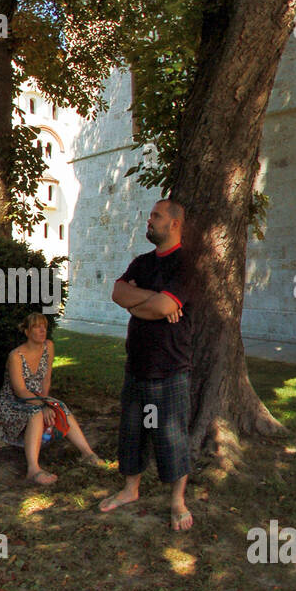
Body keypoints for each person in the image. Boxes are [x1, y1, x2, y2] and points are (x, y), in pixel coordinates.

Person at [101, 198, 197, 530]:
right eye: (150, 216)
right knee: (132, 432)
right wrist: (149, 301)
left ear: (174, 223)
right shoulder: (141, 262)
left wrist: (143, 300)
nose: (149, 220)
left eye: (156, 216)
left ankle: (177, 502)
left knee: (170, 436)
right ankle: (130, 490)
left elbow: (164, 305)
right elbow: (117, 293)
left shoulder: (186, 263)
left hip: (169, 366)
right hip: (136, 364)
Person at [0, 309, 101, 485]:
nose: (42, 330)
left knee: (60, 406)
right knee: (35, 414)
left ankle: (87, 453)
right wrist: (42, 406)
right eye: (37, 327)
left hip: (37, 397)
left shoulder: (48, 346)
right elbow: (20, 390)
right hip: (12, 402)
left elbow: (46, 379)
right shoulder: (16, 356)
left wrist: (47, 402)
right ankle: (33, 469)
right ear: (27, 332)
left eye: (44, 326)